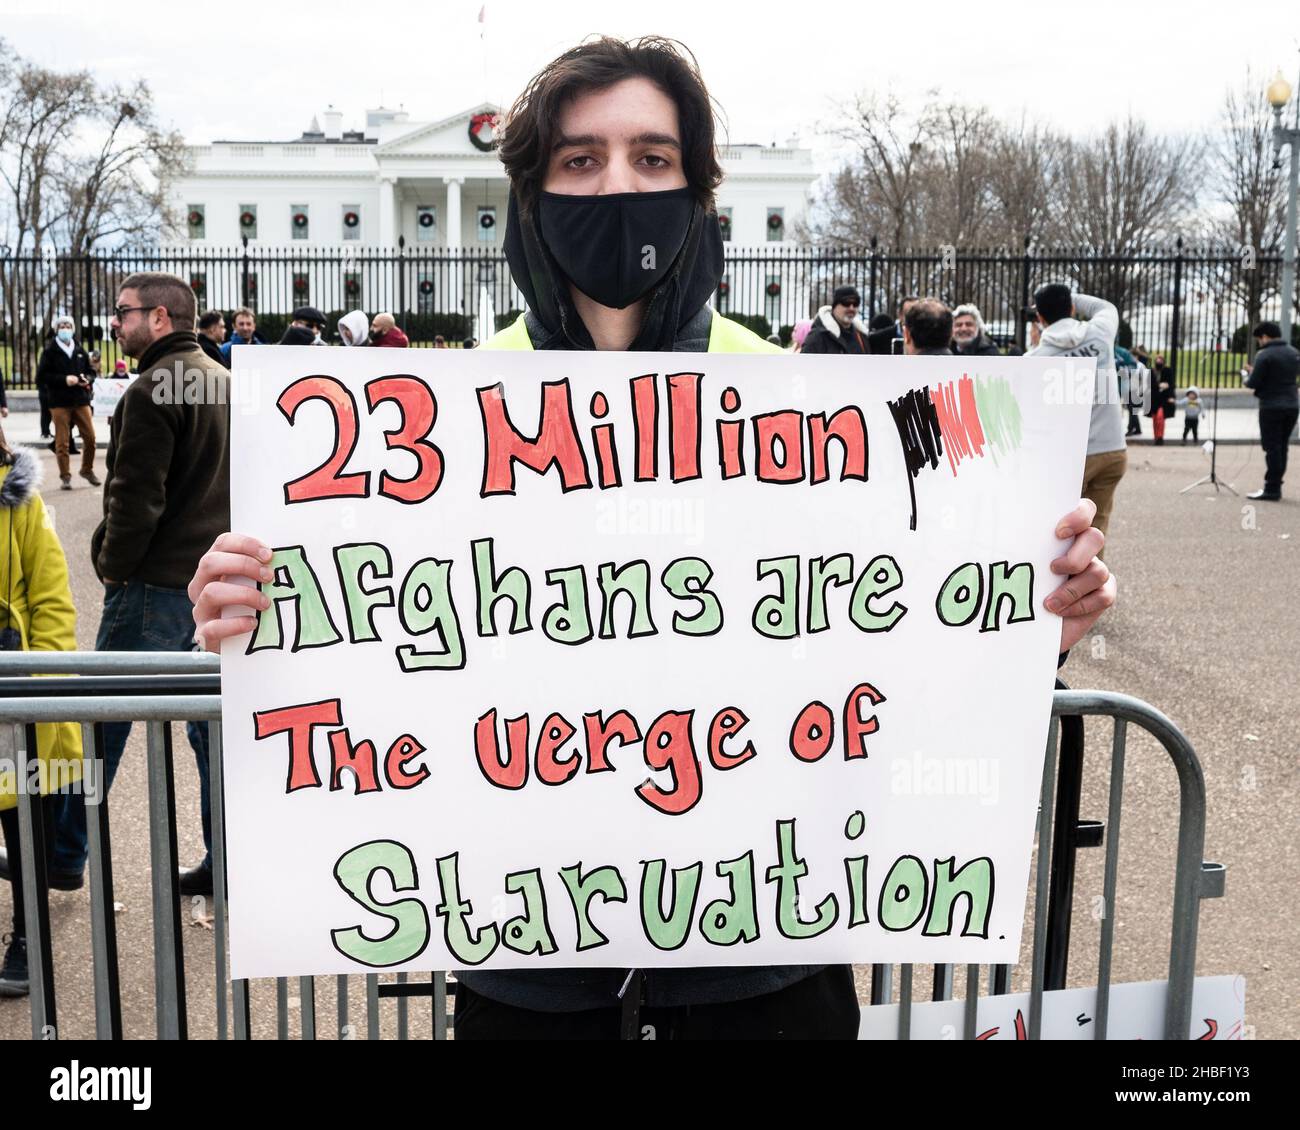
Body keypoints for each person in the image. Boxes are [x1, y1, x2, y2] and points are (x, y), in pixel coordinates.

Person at [186, 35, 1114, 1040]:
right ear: (533, 196)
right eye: (580, 159)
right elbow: (370, 648)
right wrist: (254, 612)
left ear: (696, 189)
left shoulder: (804, 402)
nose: (617, 184)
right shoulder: (430, 420)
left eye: (652, 158)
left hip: (765, 955)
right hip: (528, 954)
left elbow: (895, 639)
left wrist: (1026, 624)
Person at [50, 271, 230, 898]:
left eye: (123, 313)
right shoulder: (222, 381)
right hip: (212, 586)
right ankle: (226, 860)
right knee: (210, 731)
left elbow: (134, 499)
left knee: (99, 721)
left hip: (153, 584)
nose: (115, 324)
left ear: (158, 319)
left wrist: (111, 563)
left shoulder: (154, 387)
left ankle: (61, 850)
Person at [0, 440, 83, 996]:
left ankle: (27, 932)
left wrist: (42, 687)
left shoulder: (18, 498)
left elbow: (52, 598)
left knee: (21, 817)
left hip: (11, 682)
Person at [1027, 286, 1125, 552]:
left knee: (1064, 532)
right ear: (1071, 308)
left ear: (1040, 317)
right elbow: (1105, 307)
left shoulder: (1035, 359)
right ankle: (1094, 584)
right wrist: (1072, 298)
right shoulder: (1099, 332)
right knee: (1096, 527)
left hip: (1071, 456)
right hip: (1113, 446)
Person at [35, 314, 98, 491]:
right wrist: (64, 380)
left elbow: (90, 371)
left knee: (90, 438)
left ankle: (87, 470)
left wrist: (88, 378)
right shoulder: (49, 352)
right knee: (62, 442)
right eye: (61, 326)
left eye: (67, 325)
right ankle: (65, 476)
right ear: (56, 330)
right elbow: (41, 377)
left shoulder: (79, 350)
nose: (65, 328)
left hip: (80, 400)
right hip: (59, 402)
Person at [1242, 321, 1299, 500]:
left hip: (1271, 406)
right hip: (1292, 404)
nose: (1260, 342)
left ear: (1265, 336)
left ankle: (1272, 488)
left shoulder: (1264, 354)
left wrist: (1246, 375)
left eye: (1260, 339)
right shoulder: (1294, 352)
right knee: (1282, 446)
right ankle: (1276, 484)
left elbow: (1253, 383)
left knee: (1272, 447)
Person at [802, 286, 869, 354]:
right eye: (846, 303)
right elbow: (804, 363)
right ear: (834, 307)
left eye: (855, 304)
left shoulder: (861, 336)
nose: (851, 308)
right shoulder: (817, 337)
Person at [1147, 352, 1175, 445]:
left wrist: (1171, 396)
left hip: (1164, 399)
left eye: (1161, 360)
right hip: (1153, 399)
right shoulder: (1151, 371)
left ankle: (1160, 436)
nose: (1159, 362)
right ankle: (1156, 437)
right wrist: (1159, 385)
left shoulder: (1167, 370)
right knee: (1155, 419)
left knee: (1160, 417)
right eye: (1158, 360)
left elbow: (1171, 384)